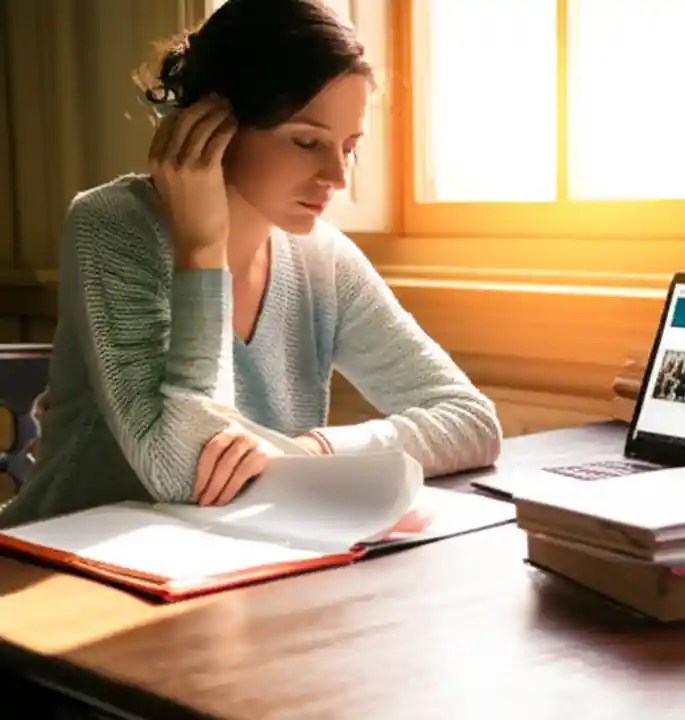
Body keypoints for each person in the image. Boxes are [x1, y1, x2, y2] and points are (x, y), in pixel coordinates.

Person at [0, 0, 501, 528]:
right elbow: (184, 474)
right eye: (306, 142)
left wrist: (315, 451)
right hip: (64, 572)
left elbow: (471, 421)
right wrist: (202, 250)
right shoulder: (113, 226)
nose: (337, 176)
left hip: (233, 564)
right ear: (214, 125)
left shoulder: (324, 260)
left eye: (349, 147)